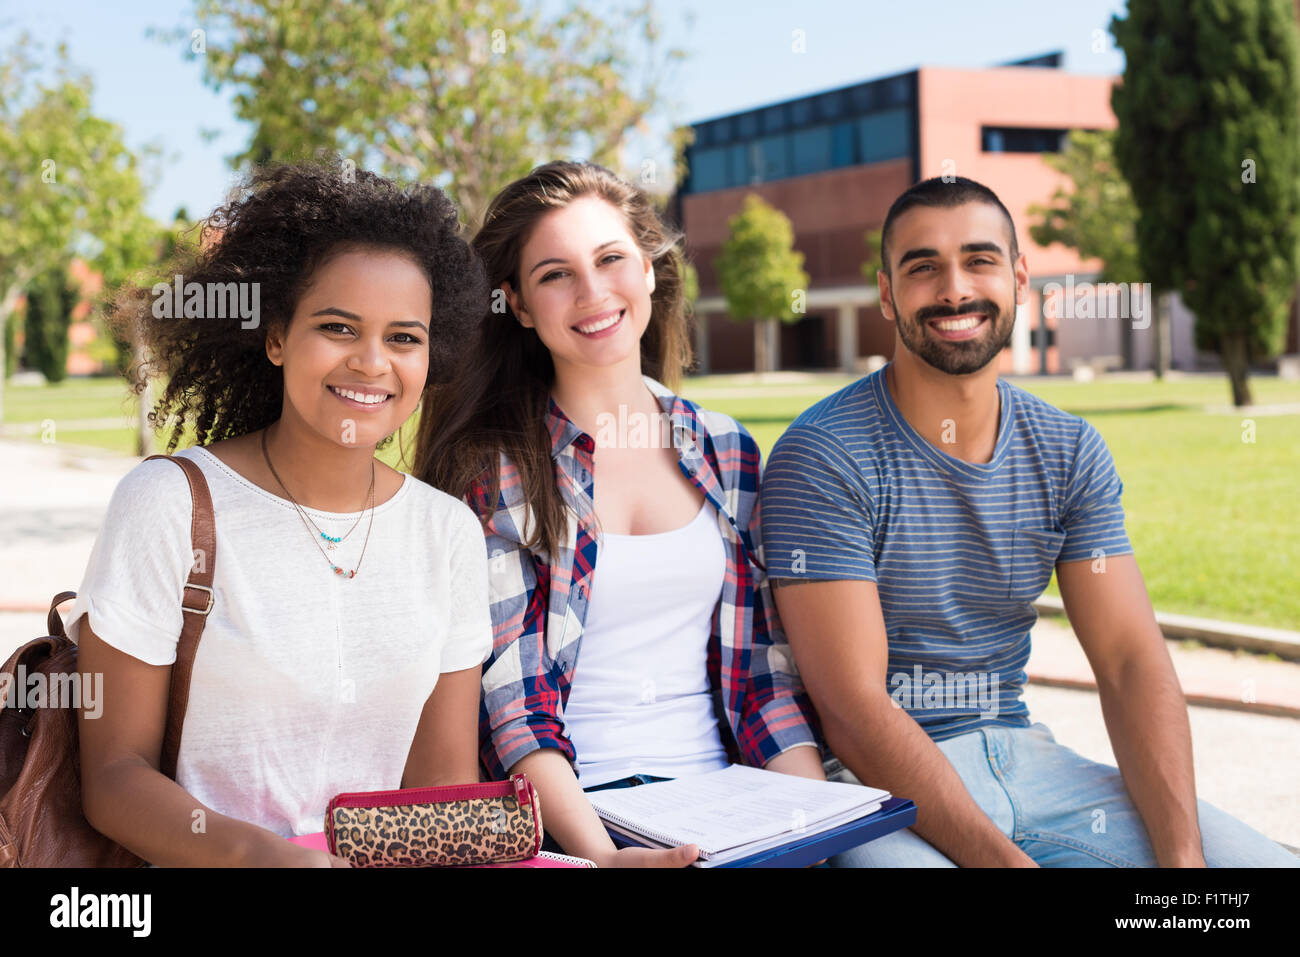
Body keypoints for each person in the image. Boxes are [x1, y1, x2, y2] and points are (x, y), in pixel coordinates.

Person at [760, 175, 1298, 868]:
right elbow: (855, 711)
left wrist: (1184, 868)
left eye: (980, 261)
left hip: (1031, 761)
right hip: (880, 793)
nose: (955, 289)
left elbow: (1131, 660)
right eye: (923, 267)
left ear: (1018, 279)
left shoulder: (1068, 448)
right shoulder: (824, 452)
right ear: (887, 294)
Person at [70, 158, 494, 867]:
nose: (371, 362)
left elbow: (442, 784)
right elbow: (113, 779)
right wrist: (258, 855)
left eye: (403, 337)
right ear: (275, 338)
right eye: (338, 326)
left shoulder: (447, 532)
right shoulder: (170, 504)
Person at [415, 161, 825, 868]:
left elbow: (765, 681)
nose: (593, 292)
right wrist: (603, 857)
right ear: (516, 303)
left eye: (610, 259)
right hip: (582, 817)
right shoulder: (498, 469)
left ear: (649, 267)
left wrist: (811, 826)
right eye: (555, 275)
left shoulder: (727, 449)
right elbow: (517, 706)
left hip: (727, 805)